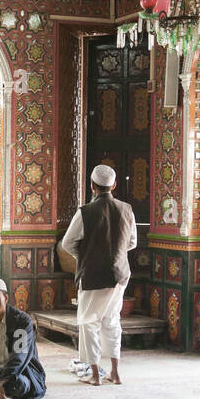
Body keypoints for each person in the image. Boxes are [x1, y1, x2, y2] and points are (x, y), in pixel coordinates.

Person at [60, 163, 137, 386]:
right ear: (113, 185)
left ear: (92, 186)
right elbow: (131, 242)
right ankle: (115, 372)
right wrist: (114, 254)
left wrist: (85, 256)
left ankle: (95, 375)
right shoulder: (127, 209)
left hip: (92, 276)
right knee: (112, 321)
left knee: (88, 323)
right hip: (120, 275)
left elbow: (67, 243)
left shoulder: (85, 212)